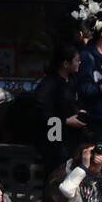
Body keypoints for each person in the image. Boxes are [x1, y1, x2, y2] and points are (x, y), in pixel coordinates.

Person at [33, 44, 86, 174]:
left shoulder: (72, 81)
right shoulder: (49, 84)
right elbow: (41, 112)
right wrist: (65, 121)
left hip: (72, 135)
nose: (79, 63)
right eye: (76, 60)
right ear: (65, 64)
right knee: (57, 168)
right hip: (54, 134)